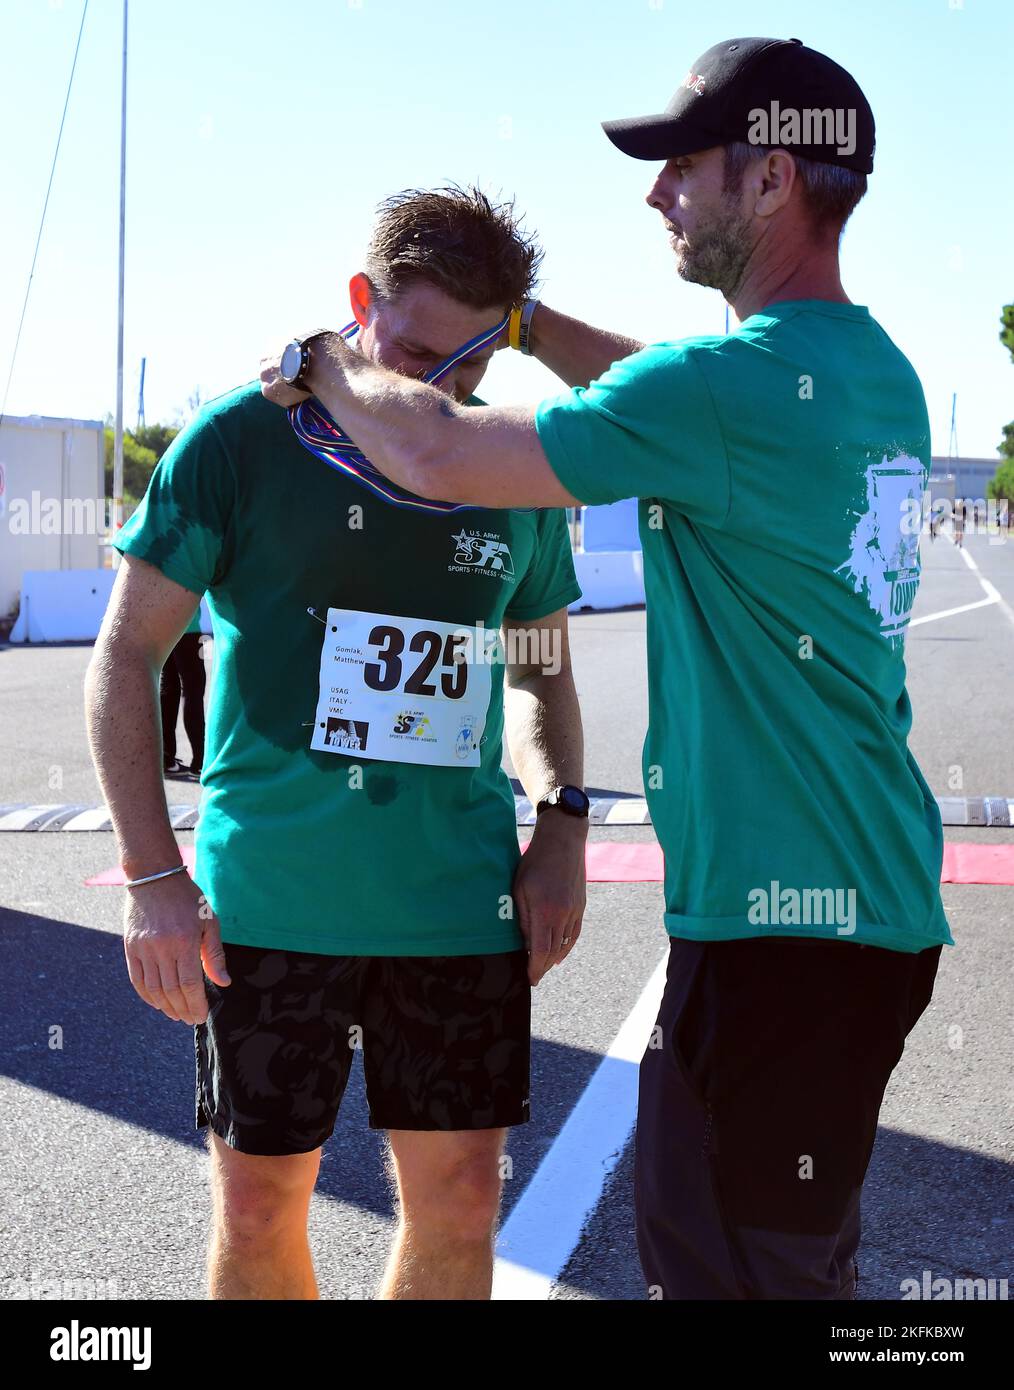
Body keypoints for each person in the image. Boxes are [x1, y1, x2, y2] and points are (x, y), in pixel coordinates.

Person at [262, 38, 953, 1301]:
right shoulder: (863, 371)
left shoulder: (728, 389)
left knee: (731, 1275)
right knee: (793, 1265)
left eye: (681, 167)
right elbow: (664, 390)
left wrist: (329, 365)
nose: (655, 196)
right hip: (867, 914)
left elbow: (439, 455)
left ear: (770, 179)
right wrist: (520, 324)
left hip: (775, 939)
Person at [85, 186, 588, 1301]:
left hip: (455, 908)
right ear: (359, 305)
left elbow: (541, 667)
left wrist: (562, 821)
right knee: (262, 1205)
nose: (436, 392)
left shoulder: (509, 469)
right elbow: (125, 659)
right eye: (413, 351)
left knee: (462, 1204)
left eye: (467, 369)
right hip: (269, 906)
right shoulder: (238, 441)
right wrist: (154, 876)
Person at [160, 607, 206, 778]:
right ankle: (200, 762)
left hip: (161, 627)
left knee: (169, 689)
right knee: (193, 689)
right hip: (187, 627)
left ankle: (167, 759)